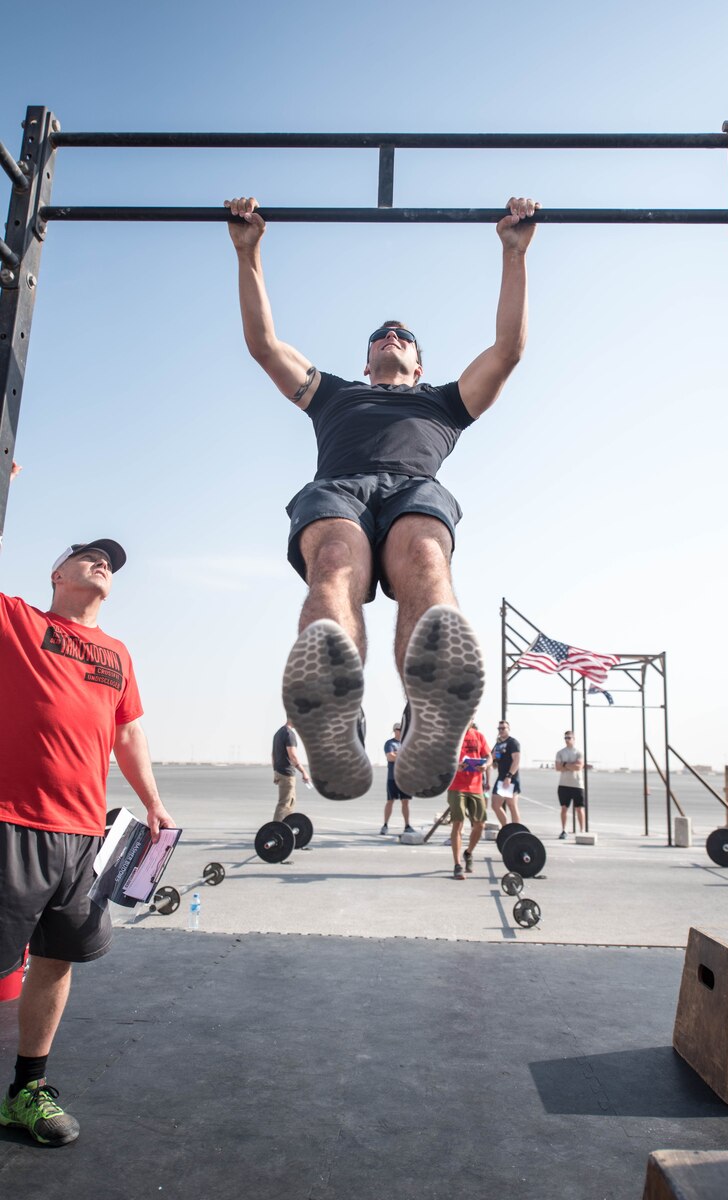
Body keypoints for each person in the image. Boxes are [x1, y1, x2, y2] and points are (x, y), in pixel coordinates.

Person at [225, 192, 539, 802]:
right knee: (335, 560)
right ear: (368, 361)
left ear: (418, 365)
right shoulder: (333, 393)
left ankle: (430, 718)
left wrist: (514, 255)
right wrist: (248, 253)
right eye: (380, 336)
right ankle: (336, 721)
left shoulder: (443, 402)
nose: (391, 336)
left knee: (424, 550)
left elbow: (507, 351)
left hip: (413, 493)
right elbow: (265, 345)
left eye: (403, 336)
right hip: (341, 491)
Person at [0, 538, 175, 1147]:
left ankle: (27, 1090)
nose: (103, 563)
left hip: (84, 834)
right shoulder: (17, 620)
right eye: (88, 556)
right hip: (12, 821)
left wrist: (153, 803)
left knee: (57, 959)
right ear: (56, 573)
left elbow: (128, 735)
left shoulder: (118, 653)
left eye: (110, 562)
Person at [446, 722, 491, 880]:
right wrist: (455, 766)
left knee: (480, 825)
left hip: (476, 787)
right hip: (456, 786)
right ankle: (457, 865)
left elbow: (489, 756)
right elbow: (442, 758)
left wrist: (485, 764)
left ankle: (468, 853)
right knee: (458, 823)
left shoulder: (478, 736)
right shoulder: (451, 735)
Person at [271, 717, 310, 822]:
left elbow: (273, 755)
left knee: (289, 803)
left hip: (280, 772)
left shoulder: (278, 733)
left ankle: (285, 828)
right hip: (286, 774)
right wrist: (304, 772)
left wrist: (275, 771)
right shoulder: (289, 734)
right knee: (284, 803)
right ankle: (276, 829)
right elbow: (293, 757)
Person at [381, 722, 414, 835]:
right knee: (390, 801)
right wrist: (403, 756)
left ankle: (407, 825)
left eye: (401, 729)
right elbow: (390, 757)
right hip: (393, 777)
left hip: (405, 778)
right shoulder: (390, 743)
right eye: (398, 729)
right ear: (394, 730)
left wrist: (398, 755)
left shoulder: (408, 744)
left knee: (405, 802)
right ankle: (385, 825)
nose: (399, 731)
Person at [491, 719, 522, 826]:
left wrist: (509, 776)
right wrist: (493, 758)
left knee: (511, 804)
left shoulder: (512, 742)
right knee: (495, 804)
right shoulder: (498, 744)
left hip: (510, 777)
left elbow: (516, 760)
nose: (501, 730)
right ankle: (506, 828)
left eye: (503, 728)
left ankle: (517, 830)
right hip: (501, 776)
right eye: (499, 728)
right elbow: (494, 764)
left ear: (508, 729)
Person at [555, 730, 585, 838]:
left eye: (569, 738)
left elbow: (579, 767)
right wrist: (570, 765)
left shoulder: (578, 752)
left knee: (579, 808)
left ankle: (581, 830)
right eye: (565, 738)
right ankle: (564, 830)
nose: (567, 740)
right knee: (564, 808)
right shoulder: (560, 752)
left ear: (573, 739)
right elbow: (558, 767)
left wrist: (565, 764)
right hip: (564, 784)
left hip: (577, 784)